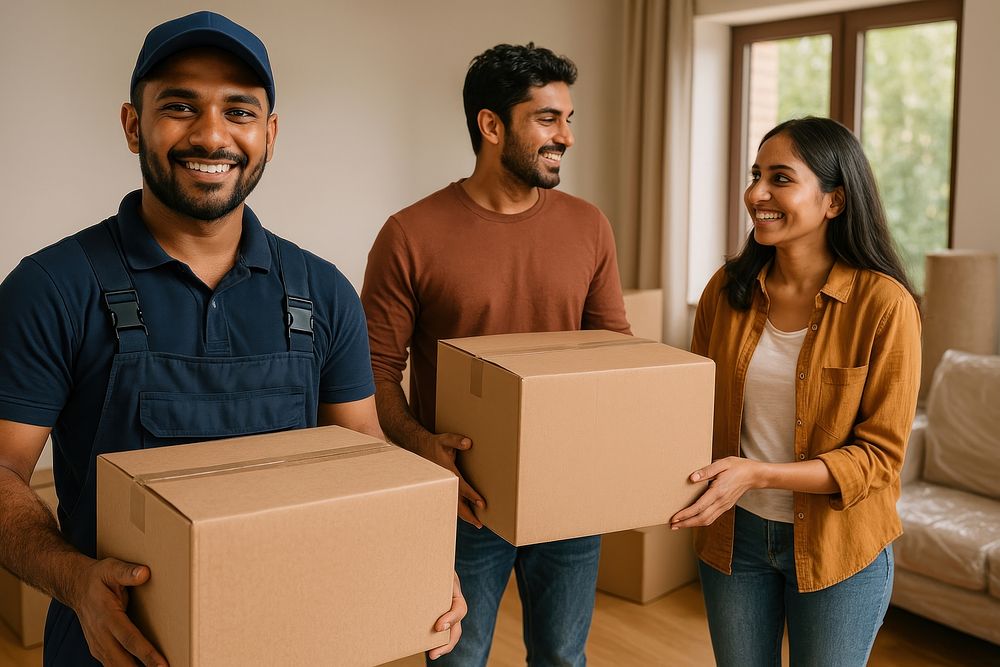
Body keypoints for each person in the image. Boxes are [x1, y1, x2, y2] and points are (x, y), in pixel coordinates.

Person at [0, 12, 463, 667]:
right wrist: (73, 578)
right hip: (118, 644)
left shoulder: (322, 293)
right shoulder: (51, 287)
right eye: (180, 106)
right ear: (133, 125)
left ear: (269, 134)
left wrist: (416, 561)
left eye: (239, 111)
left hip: (295, 636)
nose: (212, 133)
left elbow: (365, 457)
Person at [361, 43, 631, 666]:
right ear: (491, 126)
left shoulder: (589, 226)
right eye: (546, 119)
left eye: (568, 118)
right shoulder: (410, 234)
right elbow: (374, 372)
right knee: (458, 658)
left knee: (563, 657)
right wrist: (421, 445)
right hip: (465, 500)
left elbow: (613, 355)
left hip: (569, 495)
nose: (565, 136)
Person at [670, 116, 921, 666]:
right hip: (734, 540)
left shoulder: (885, 306)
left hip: (839, 547)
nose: (756, 193)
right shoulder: (727, 289)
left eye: (780, 178)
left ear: (834, 201)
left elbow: (879, 458)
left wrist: (757, 473)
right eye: (756, 174)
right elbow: (691, 409)